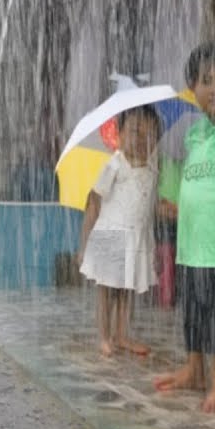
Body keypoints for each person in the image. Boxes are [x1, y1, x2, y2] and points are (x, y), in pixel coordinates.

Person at [153, 42, 215, 413]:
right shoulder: (195, 135)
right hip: (191, 246)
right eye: (206, 80)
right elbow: (198, 184)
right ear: (192, 88)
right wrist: (178, 207)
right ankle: (193, 369)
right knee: (194, 313)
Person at [77, 105, 162, 357]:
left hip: (136, 239)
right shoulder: (115, 164)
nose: (140, 140)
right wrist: (85, 243)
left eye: (148, 134)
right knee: (107, 291)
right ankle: (105, 336)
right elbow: (93, 200)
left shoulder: (153, 168)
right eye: (134, 132)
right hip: (111, 236)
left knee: (126, 290)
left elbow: (147, 204)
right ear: (120, 134)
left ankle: (122, 334)